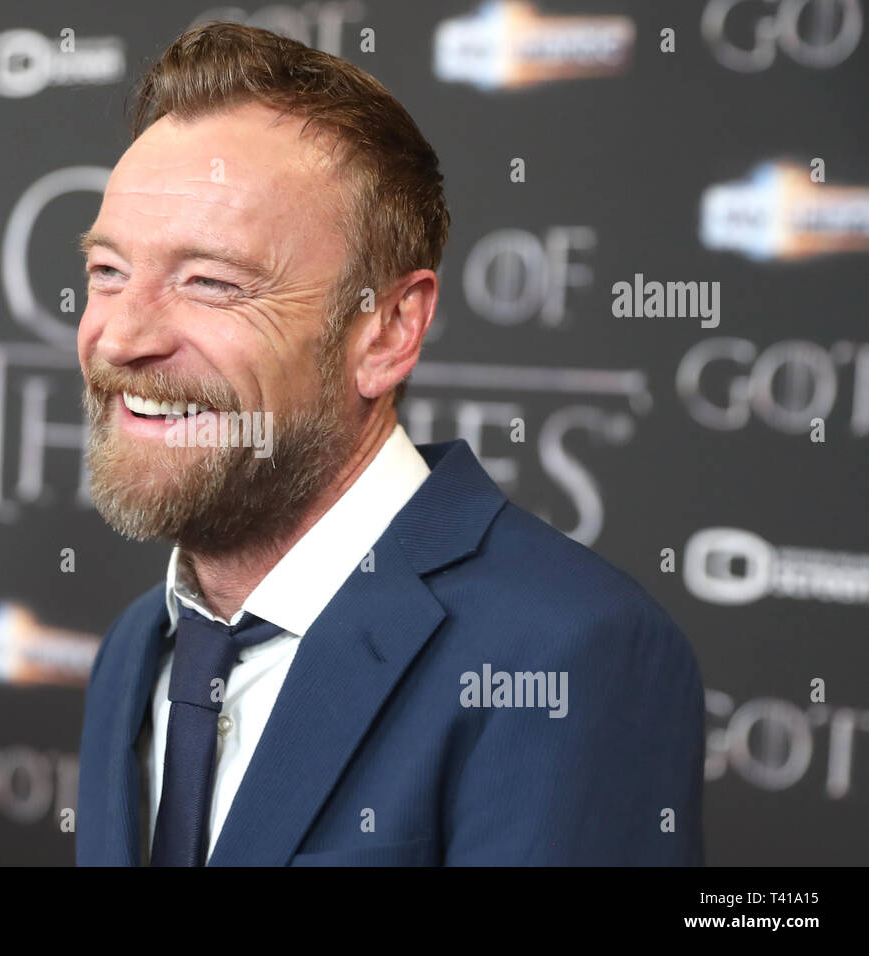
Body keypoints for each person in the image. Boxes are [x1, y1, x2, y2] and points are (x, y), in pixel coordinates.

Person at [74, 22, 703, 866]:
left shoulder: (565, 654)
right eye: (108, 272)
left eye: (211, 283)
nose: (120, 338)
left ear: (387, 331)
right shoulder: (139, 644)